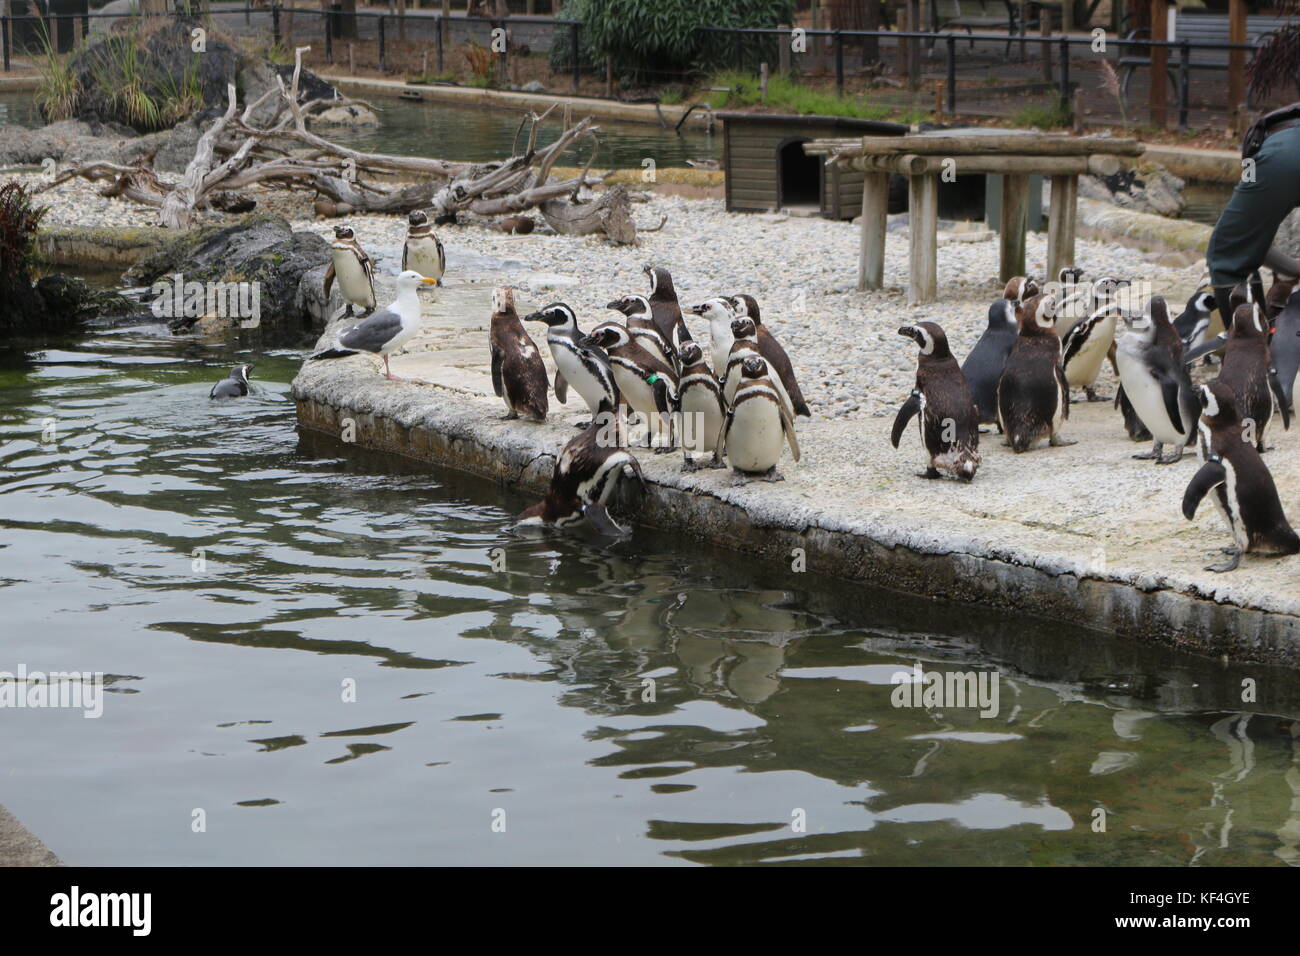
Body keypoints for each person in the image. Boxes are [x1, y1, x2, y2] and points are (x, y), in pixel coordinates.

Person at [1206, 102, 1300, 330]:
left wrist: (1292, 268)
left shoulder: (1253, 160)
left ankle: (1248, 351)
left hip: (1286, 155)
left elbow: (1240, 241)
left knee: (1225, 254)